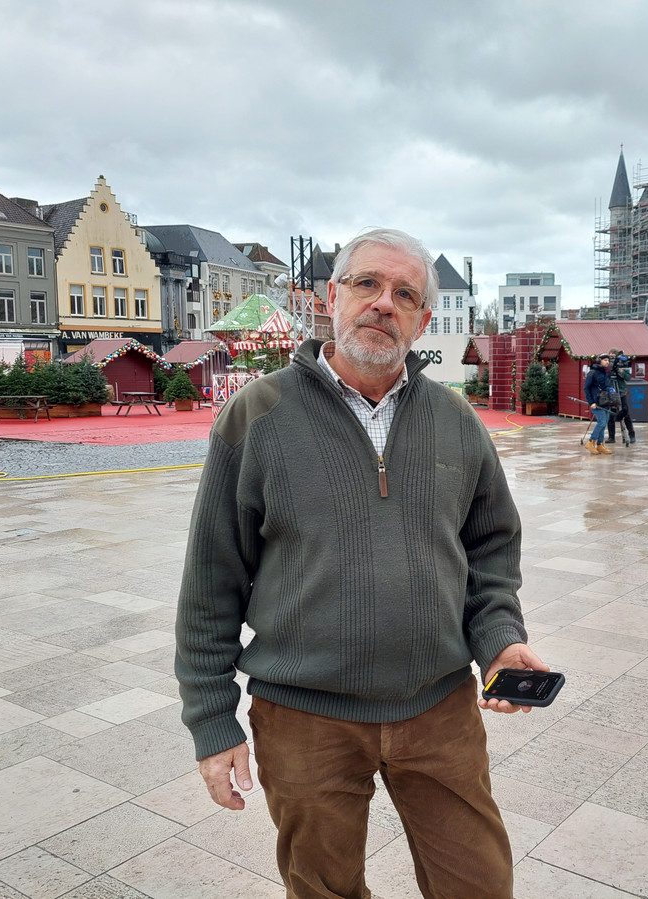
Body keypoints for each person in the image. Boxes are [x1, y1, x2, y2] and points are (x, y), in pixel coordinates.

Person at [175, 228, 546, 899]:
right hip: (303, 717)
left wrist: (499, 639)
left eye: (405, 293)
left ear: (423, 319)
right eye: (367, 283)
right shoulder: (256, 417)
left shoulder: (455, 421)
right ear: (330, 295)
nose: (384, 303)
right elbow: (210, 580)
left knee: (480, 884)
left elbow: (490, 546)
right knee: (324, 891)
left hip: (438, 707)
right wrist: (211, 718)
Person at [583, 353, 615, 455]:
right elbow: (586, 388)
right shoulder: (592, 373)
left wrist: (609, 389)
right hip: (596, 402)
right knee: (601, 422)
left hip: (606, 401)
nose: (607, 362)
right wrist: (591, 402)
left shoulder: (605, 373)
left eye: (608, 360)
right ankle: (590, 442)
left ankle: (600, 445)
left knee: (604, 423)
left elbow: (605, 386)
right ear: (599, 361)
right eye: (605, 360)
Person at [606, 350, 637, 445]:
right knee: (610, 414)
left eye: (613, 357)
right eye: (610, 357)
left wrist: (619, 371)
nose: (612, 359)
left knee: (625, 412)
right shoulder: (607, 365)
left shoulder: (622, 364)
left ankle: (631, 435)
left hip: (621, 390)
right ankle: (611, 437)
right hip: (611, 391)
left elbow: (628, 377)